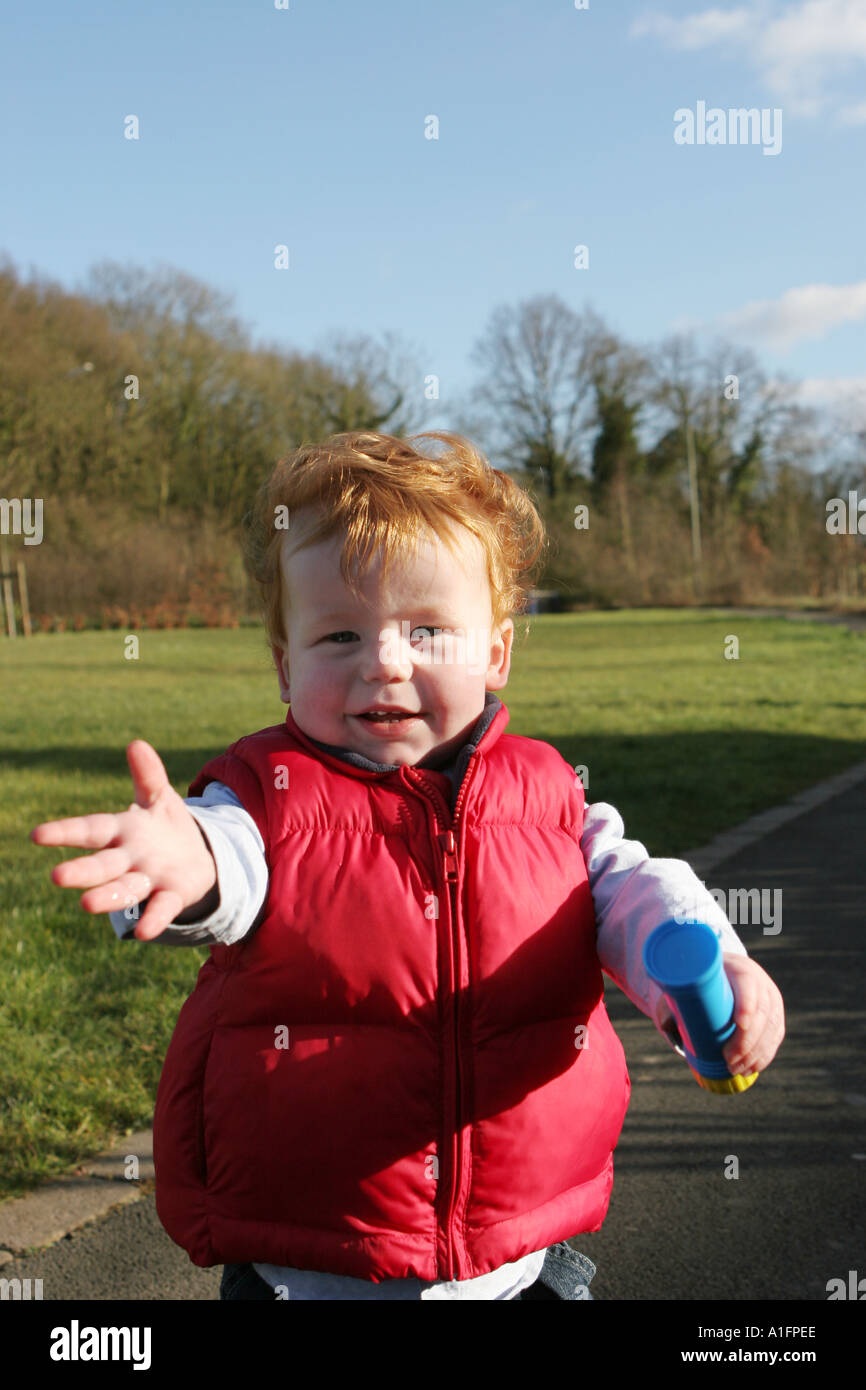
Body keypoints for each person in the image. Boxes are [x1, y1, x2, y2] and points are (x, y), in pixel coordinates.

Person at [31, 430, 785, 1301]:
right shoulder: (269, 800)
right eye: (341, 635)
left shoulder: (547, 795)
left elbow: (631, 891)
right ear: (285, 666)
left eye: (428, 629)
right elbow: (225, 866)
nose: (385, 660)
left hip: (516, 1264)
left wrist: (714, 959)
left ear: (497, 652)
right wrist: (179, 859)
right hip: (316, 1269)